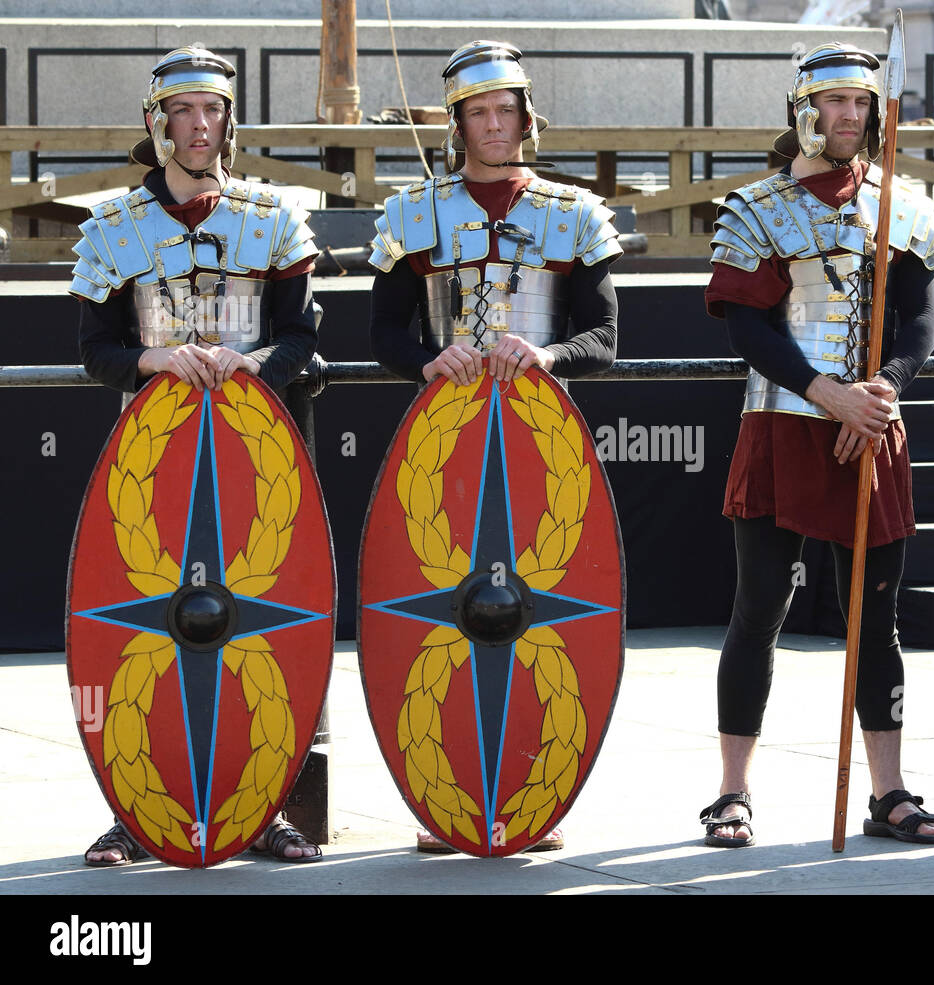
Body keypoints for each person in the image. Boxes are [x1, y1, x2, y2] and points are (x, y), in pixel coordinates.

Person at [71, 45, 323, 864]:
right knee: (140, 632)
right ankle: (134, 810)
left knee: (262, 628)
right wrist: (156, 360)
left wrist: (254, 368)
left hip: (257, 460)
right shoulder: (114, 227)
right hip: (150, 467)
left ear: (229, 121)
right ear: (158, 124)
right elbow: (95, 350)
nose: (200, 125)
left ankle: (267, 808)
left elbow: (300, 337)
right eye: (184, 111)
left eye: (212, 110)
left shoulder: (272, 217)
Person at [367, 39, 621, 854]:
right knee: (444, 618)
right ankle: (447, 804)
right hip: (440, 451)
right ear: (456, 124)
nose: (495, 125)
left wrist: (549, 356)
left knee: (543, 620)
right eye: (478, 112)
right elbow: (383, 333)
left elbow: (607, 335)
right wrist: (425, 357)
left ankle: (532, 797)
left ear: (526, 116)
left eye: (506, 109)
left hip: (550, 454)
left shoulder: (573, 212)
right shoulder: (414, 213)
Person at [700, 43, 934, 848]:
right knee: (759, 608)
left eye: (861, 104)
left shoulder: (899, 203)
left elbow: (917, 315)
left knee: (876, 619)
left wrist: (884, 389)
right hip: (782, 419)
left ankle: (889, 793)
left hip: (873, 426)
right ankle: (733, 791)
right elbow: (748, 326)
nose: (850, 117)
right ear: (805, 111)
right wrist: (828, 392)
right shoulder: (759, 206)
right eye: (836, 102)